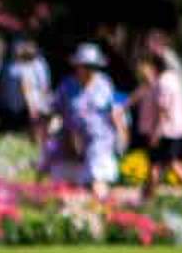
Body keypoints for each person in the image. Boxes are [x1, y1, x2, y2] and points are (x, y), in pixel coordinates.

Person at [44, 44, 123, 189]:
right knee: (65, 179)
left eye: (92, 66)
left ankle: (101, 208)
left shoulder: (104, 84)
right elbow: (56, 113)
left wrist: (120, 138)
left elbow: (115, 113)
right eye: (85, 66)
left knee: (97, 178)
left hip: (99, 140)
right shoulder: (67, 86)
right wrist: (50, 134)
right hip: (72, 140)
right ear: (77, 66)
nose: (89, 70)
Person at [137, 47, 182, 195]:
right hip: (176, 129)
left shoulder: (163, 82)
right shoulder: (174, 78)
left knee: (165, 163)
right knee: (162, 164)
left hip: (165, 131)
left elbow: (163, 110)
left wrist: (156, 133)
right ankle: (148, 195)